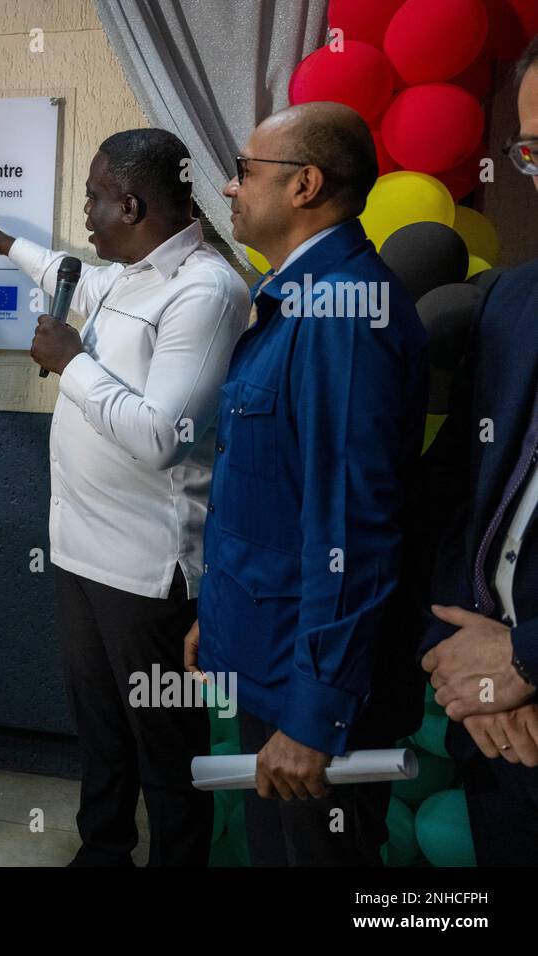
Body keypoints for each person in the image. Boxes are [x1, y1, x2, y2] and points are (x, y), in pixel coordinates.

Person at [0, 127, 250, 866]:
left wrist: (72, 363)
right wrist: (8, 246)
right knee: (102, 733)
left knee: (166, 747)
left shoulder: (206, 291)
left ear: (130, 202)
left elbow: (162, 434)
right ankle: (104, 851)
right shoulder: (129, 272)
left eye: (93, 196)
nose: (84, 211)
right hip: (83, 554)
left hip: (148, 571)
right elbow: (76, 277)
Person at [185, 102, 428, 866]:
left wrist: (316, 715)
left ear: (305, 185)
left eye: (245, 171)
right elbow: (273, 495)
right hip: (274, 659)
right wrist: (219, 617)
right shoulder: (295, 298)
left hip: (314, 694)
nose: (229, 189)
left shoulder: (343, 314)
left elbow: (352, 533)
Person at [417, 36, 538, 864]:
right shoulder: (510, 302)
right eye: (535, 150)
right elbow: (448, 497)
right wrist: (464, 663)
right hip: (502, 738)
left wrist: (527, 658)